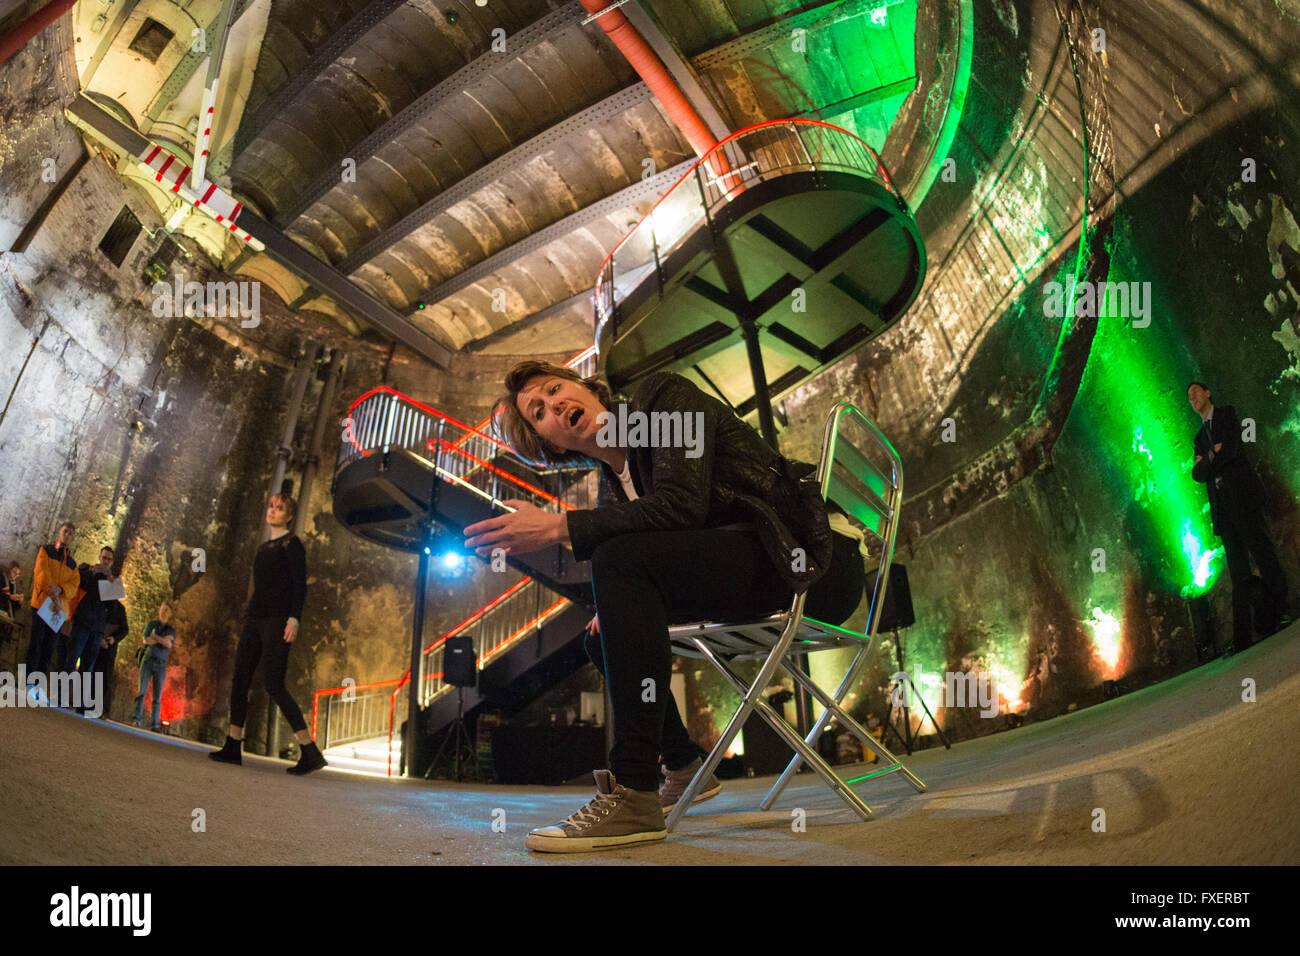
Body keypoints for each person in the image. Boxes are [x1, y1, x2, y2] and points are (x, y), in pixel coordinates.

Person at [470, 362, 865, 852]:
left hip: (812, 559)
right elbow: (673, 549)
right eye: (540, 411)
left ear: (586, 388)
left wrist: (558, 527)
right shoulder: (611, 486)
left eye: (556, 389)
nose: (555, 404)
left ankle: (633, 789)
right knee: (600, 635)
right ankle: (683, 766)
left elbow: (683, 506)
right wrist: (615, 608)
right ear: (551, 444)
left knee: (616, 560)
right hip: (758, 568)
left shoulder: (660, 398)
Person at [208, 493, 327, 774]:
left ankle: (309, 751)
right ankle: (233, 745)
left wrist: (294, 619)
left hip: (277, 621)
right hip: (255, 618)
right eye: (271, 506)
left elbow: (300, 585)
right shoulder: (264, 547)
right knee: (240, 679)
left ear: (289, 516)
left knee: (274, 684)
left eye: (280, 508)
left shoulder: (292, 544)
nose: (273, 510)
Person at [1188, 382, 1289, 652]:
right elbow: (1197, 475)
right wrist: (1212, 453)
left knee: (1263, 553)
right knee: (1238, 572)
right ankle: (1246, 634)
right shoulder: (1199, 438)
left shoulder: (1228, 415)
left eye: (1196, 392)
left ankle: (1281, 611)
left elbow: (1232, 449)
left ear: (1208, 392)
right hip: (1224, 511)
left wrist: (1208, 462)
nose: (1193, 398)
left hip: (1243, 500)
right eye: (1189, 397)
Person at [26, 521, 80, 698]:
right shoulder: (46, 551)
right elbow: (42, 573)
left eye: (71, 533)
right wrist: (54, 594)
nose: (67, 535)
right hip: (42, 604)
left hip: (56, 612)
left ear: (72, 538)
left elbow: (73, 585)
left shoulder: (72, 564)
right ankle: (28, 683)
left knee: (49, 648)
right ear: (59, 532)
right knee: (36, 644)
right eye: (65, 531)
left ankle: (38, 687)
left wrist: (61, 591)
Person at [58, 547, 113, 679]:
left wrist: (107, 580)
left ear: (112, 562)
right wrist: (92, 574)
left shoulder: (112, 581)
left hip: (97, 630)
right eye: (104, 557)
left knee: (87, 669)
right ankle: (60, 698)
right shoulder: (88, 572)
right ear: (99, 557)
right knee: (70, 662)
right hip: (81, 624)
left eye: (109, 559)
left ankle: (80, 700)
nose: (106, 561)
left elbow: (112, 607)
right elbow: (78, 585)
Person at [132, 601, 175, 730]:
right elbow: (146, 640)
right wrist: (162, 640)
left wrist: (155, 636)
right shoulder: (151, 624)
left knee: (157, 696)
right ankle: (136, 719)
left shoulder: (170, 629)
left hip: (161, 665)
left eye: (166, 610)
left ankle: (155, 724)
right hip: (148, 660)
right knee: (141, 691)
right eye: (162, 609)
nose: (163, 612)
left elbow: (168, 644)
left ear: (170, 614)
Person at [86, 595, 127, 719]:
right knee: (91, 675)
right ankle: (88, 705)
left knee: (105, 679)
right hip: (95, 644)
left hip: (108, 649)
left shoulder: (119, 609)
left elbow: (124, 629)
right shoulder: (99, 603)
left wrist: (111, 639)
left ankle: (102, 709)